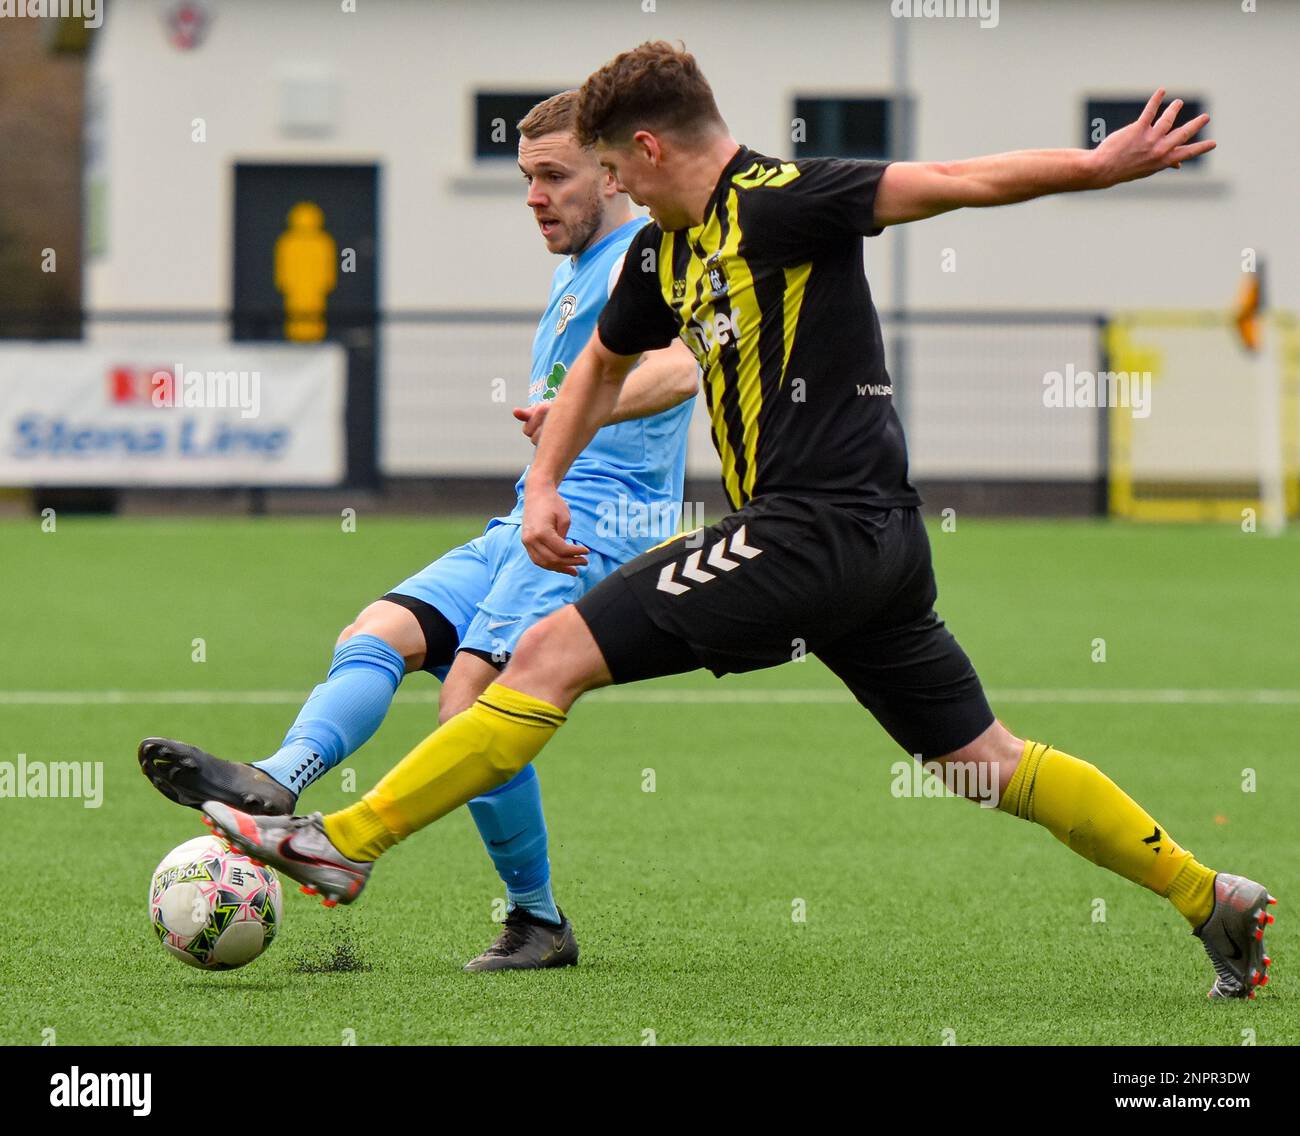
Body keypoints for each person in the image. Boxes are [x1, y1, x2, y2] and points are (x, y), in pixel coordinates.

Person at [202, 43, 1274, 999]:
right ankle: (1205, 891)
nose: (611, 187)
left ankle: (342, 841)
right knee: (980, 760)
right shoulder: (663, 253)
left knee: (546, 652)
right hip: (872, 549)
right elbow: (597, 369)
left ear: (653, 148)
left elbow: (949, 180)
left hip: (814, 530)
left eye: (614, 168)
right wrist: (541, 486)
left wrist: (1095, 166)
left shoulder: (783, 198)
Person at [139, 88, 698, 972]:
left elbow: (682, 369)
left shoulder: (645, 254)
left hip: (592, 526)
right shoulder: (573, 268)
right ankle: (277, 781)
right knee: (377, 630)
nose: (533, 197)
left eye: (553, 177)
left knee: (470, 705)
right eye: (524, 179)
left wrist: (575, 413)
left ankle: (536, 921)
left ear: (613, 170)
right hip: (531, 511)